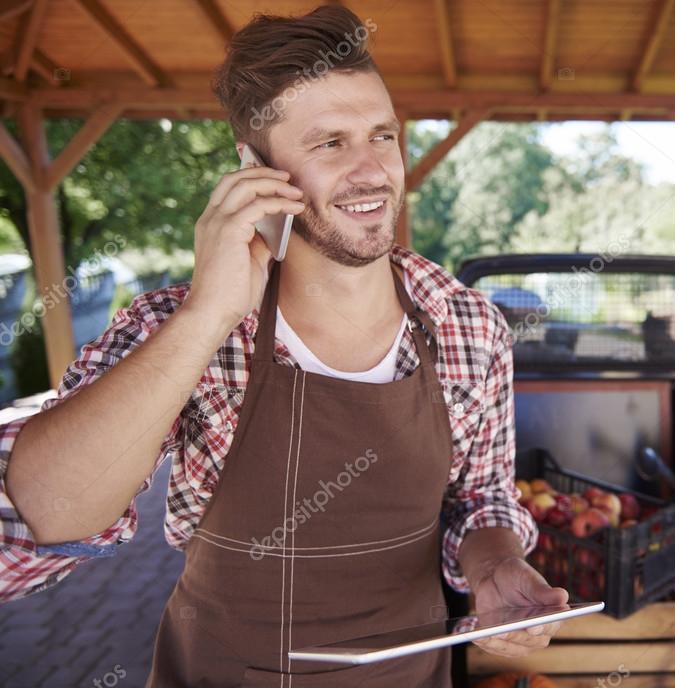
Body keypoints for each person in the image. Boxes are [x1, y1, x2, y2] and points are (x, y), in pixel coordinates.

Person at [0, 5, 567, 685]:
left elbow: (480, 501)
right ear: (255, 168)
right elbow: (48, 514)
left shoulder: (468, 326)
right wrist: (208, 314)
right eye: (329, 143)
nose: (371, 170)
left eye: (381, 136)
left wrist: (496, 566)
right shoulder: (175, 328)